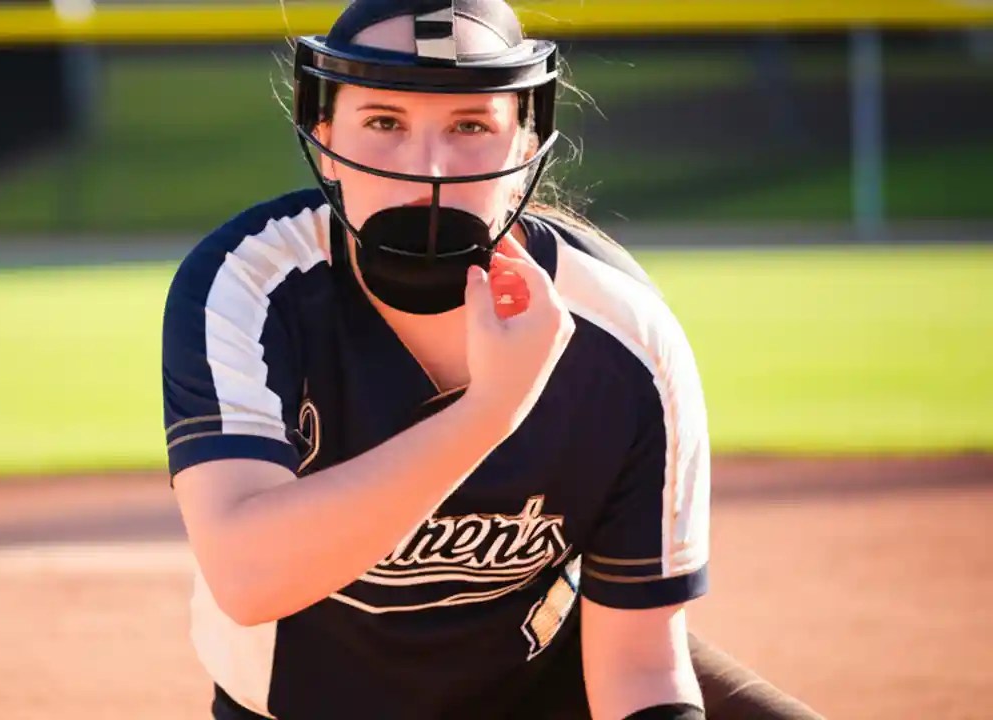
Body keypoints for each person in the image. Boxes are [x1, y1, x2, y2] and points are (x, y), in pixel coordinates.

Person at [161, 1, 822, 718]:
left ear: (525, 144)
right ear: (324, 139)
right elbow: (248, 576)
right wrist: (491, 412)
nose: (429, 166)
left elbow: (639, 667)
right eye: (383, 122)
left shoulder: (622, 336)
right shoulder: (251, 284)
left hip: (547, 690)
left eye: (471, 125)